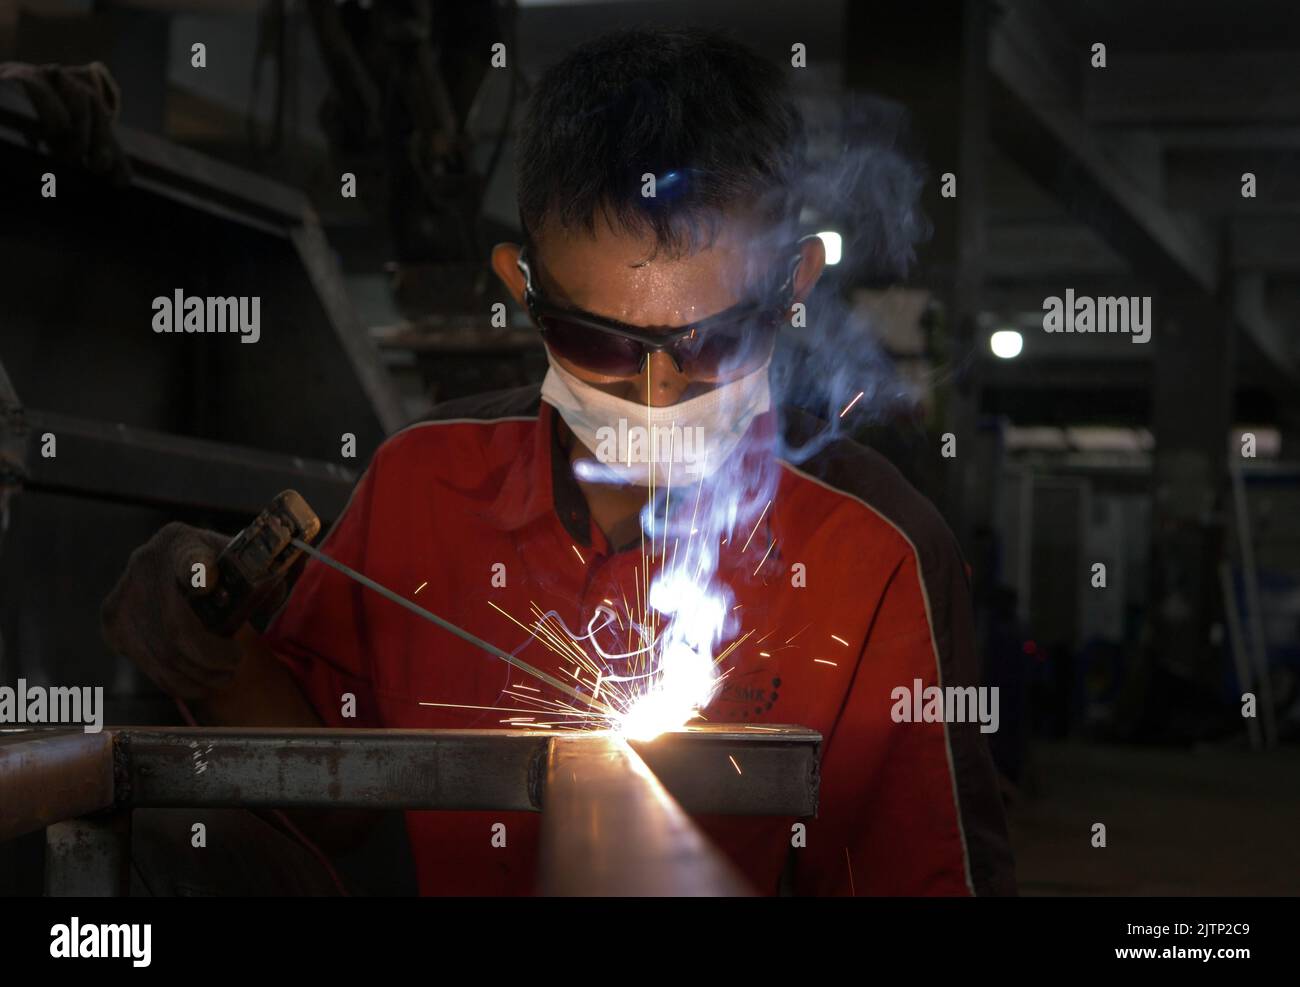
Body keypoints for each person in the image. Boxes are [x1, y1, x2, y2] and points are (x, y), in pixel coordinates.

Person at [103, 27, 1014, 896]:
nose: (658, 391)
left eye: (714, 339)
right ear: (523, 288)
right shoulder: (426, 486)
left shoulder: (873, 556)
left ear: (795, 287)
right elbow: (327, 798)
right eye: (601, 340)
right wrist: (213, 654)